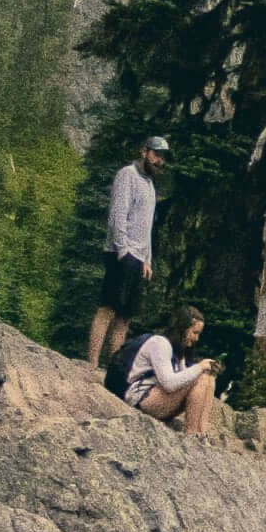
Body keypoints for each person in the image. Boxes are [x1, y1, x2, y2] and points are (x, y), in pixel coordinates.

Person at [89, 136, 167, 369]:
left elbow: (147, 227)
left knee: (125, 316)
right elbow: (117, 215)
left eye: (162, 156)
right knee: (108, 308)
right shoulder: (127, 175)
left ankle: (113, 367)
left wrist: (147, 259)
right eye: (156, 154)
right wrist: (123, 251)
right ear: (144, 152)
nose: (159, 160)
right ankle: (91, 364)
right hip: (120, 252)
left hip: (139, 258)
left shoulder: (150, 184)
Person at [121, 304, 219, 436]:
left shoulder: (179, 350)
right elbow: (169, 384)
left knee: (208, 376)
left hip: (160, 402)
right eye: (194, 333)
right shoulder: (159, 343)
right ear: (182, 328)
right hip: (142, 399)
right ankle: (192, 433)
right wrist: (199, 367)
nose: (197, 338)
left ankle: (200, 434)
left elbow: (185, 381)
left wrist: (205, 370)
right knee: (201, 375)